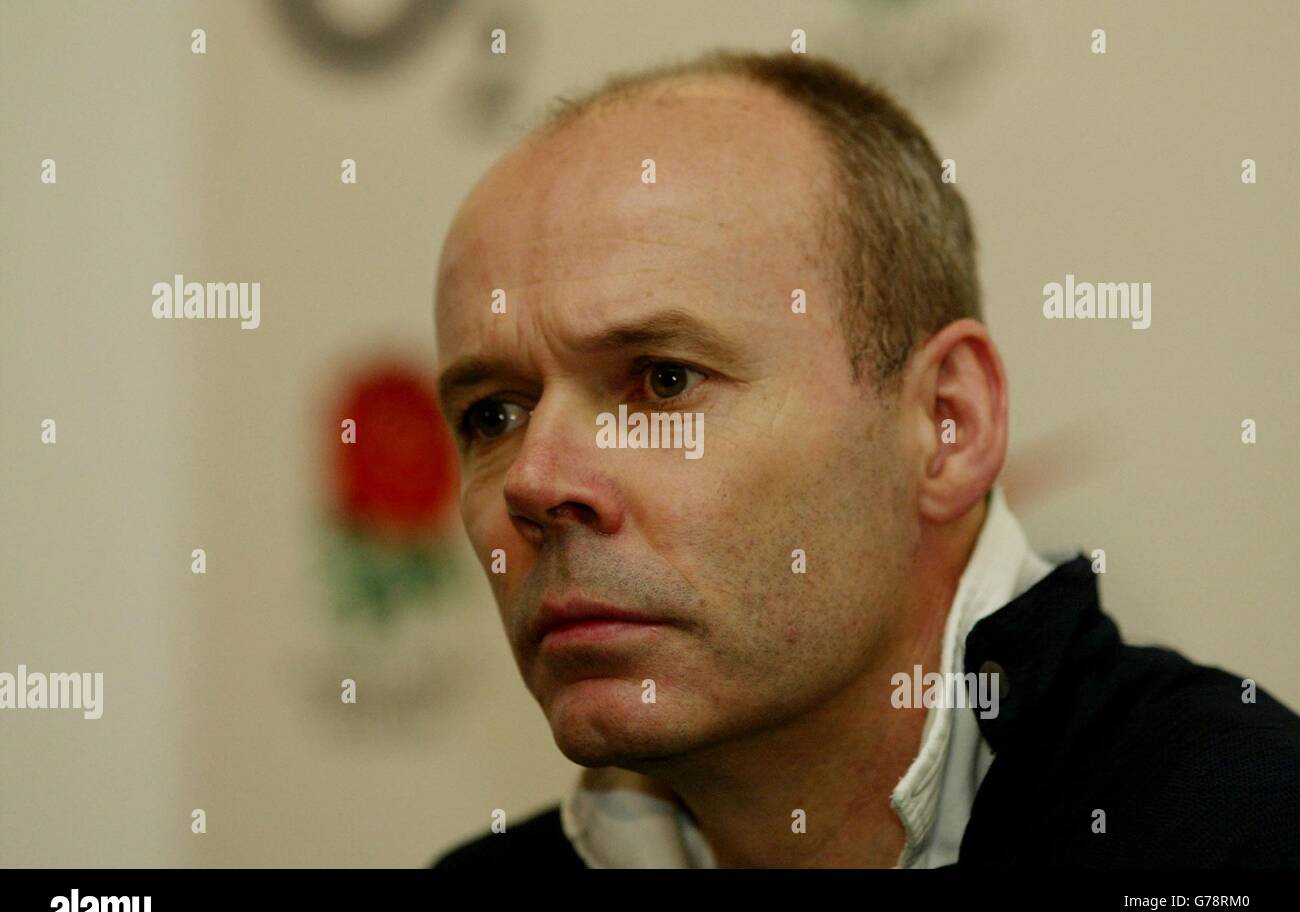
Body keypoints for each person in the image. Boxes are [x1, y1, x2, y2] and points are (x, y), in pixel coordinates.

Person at [428, 50, 1298, 868]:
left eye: (662, 381)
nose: (535, 483)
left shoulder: (1237, 841)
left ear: (945, 423)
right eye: (492, 413)